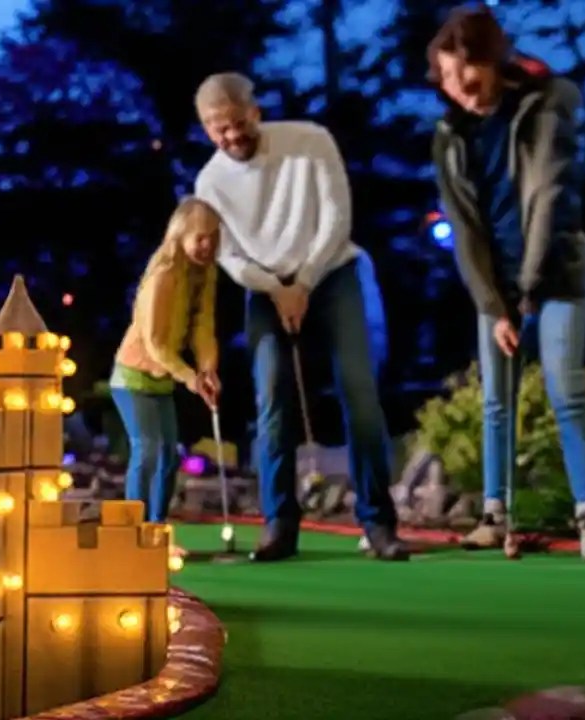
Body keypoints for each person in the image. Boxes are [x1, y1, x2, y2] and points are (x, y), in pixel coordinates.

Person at [193, 72, 409, 562]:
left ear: (255, 111)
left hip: (332, 272)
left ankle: (378, 523)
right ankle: (279, 525)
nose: (231, 137)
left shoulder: (310, 141)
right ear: (206, 129)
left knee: (360, 392)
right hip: (264, 288)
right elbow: (229, 256)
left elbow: (336, 217)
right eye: (217, 128)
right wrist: (277, 289)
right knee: (271, 402)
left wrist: (305, 283)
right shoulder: (209, 181)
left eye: (237, 123)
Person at [428, 6, 585, 560]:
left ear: (491, 61)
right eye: (447, 80)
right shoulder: (451, 134)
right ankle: (493, 512)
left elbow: (551, 197)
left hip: (555, 272)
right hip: (497, 284)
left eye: (468, 76)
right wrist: (495, 303)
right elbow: (463, 227)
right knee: (496, 400)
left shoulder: (546, 104)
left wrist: (526, 294)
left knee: (565, 387)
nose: (459, 91)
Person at [109, 196, 222, 524]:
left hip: (162, 377)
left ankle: (156, 530)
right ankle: (132, 530)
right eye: (200, 237)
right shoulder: (163, 275)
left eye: (213, 239)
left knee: (170, 456)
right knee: (147, 450)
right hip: (132, 376)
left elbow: (203, 326)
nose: (206, 246)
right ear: (180, 234)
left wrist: (207, 369)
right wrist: (189, 377)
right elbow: (154, 342)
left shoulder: (205, 274)